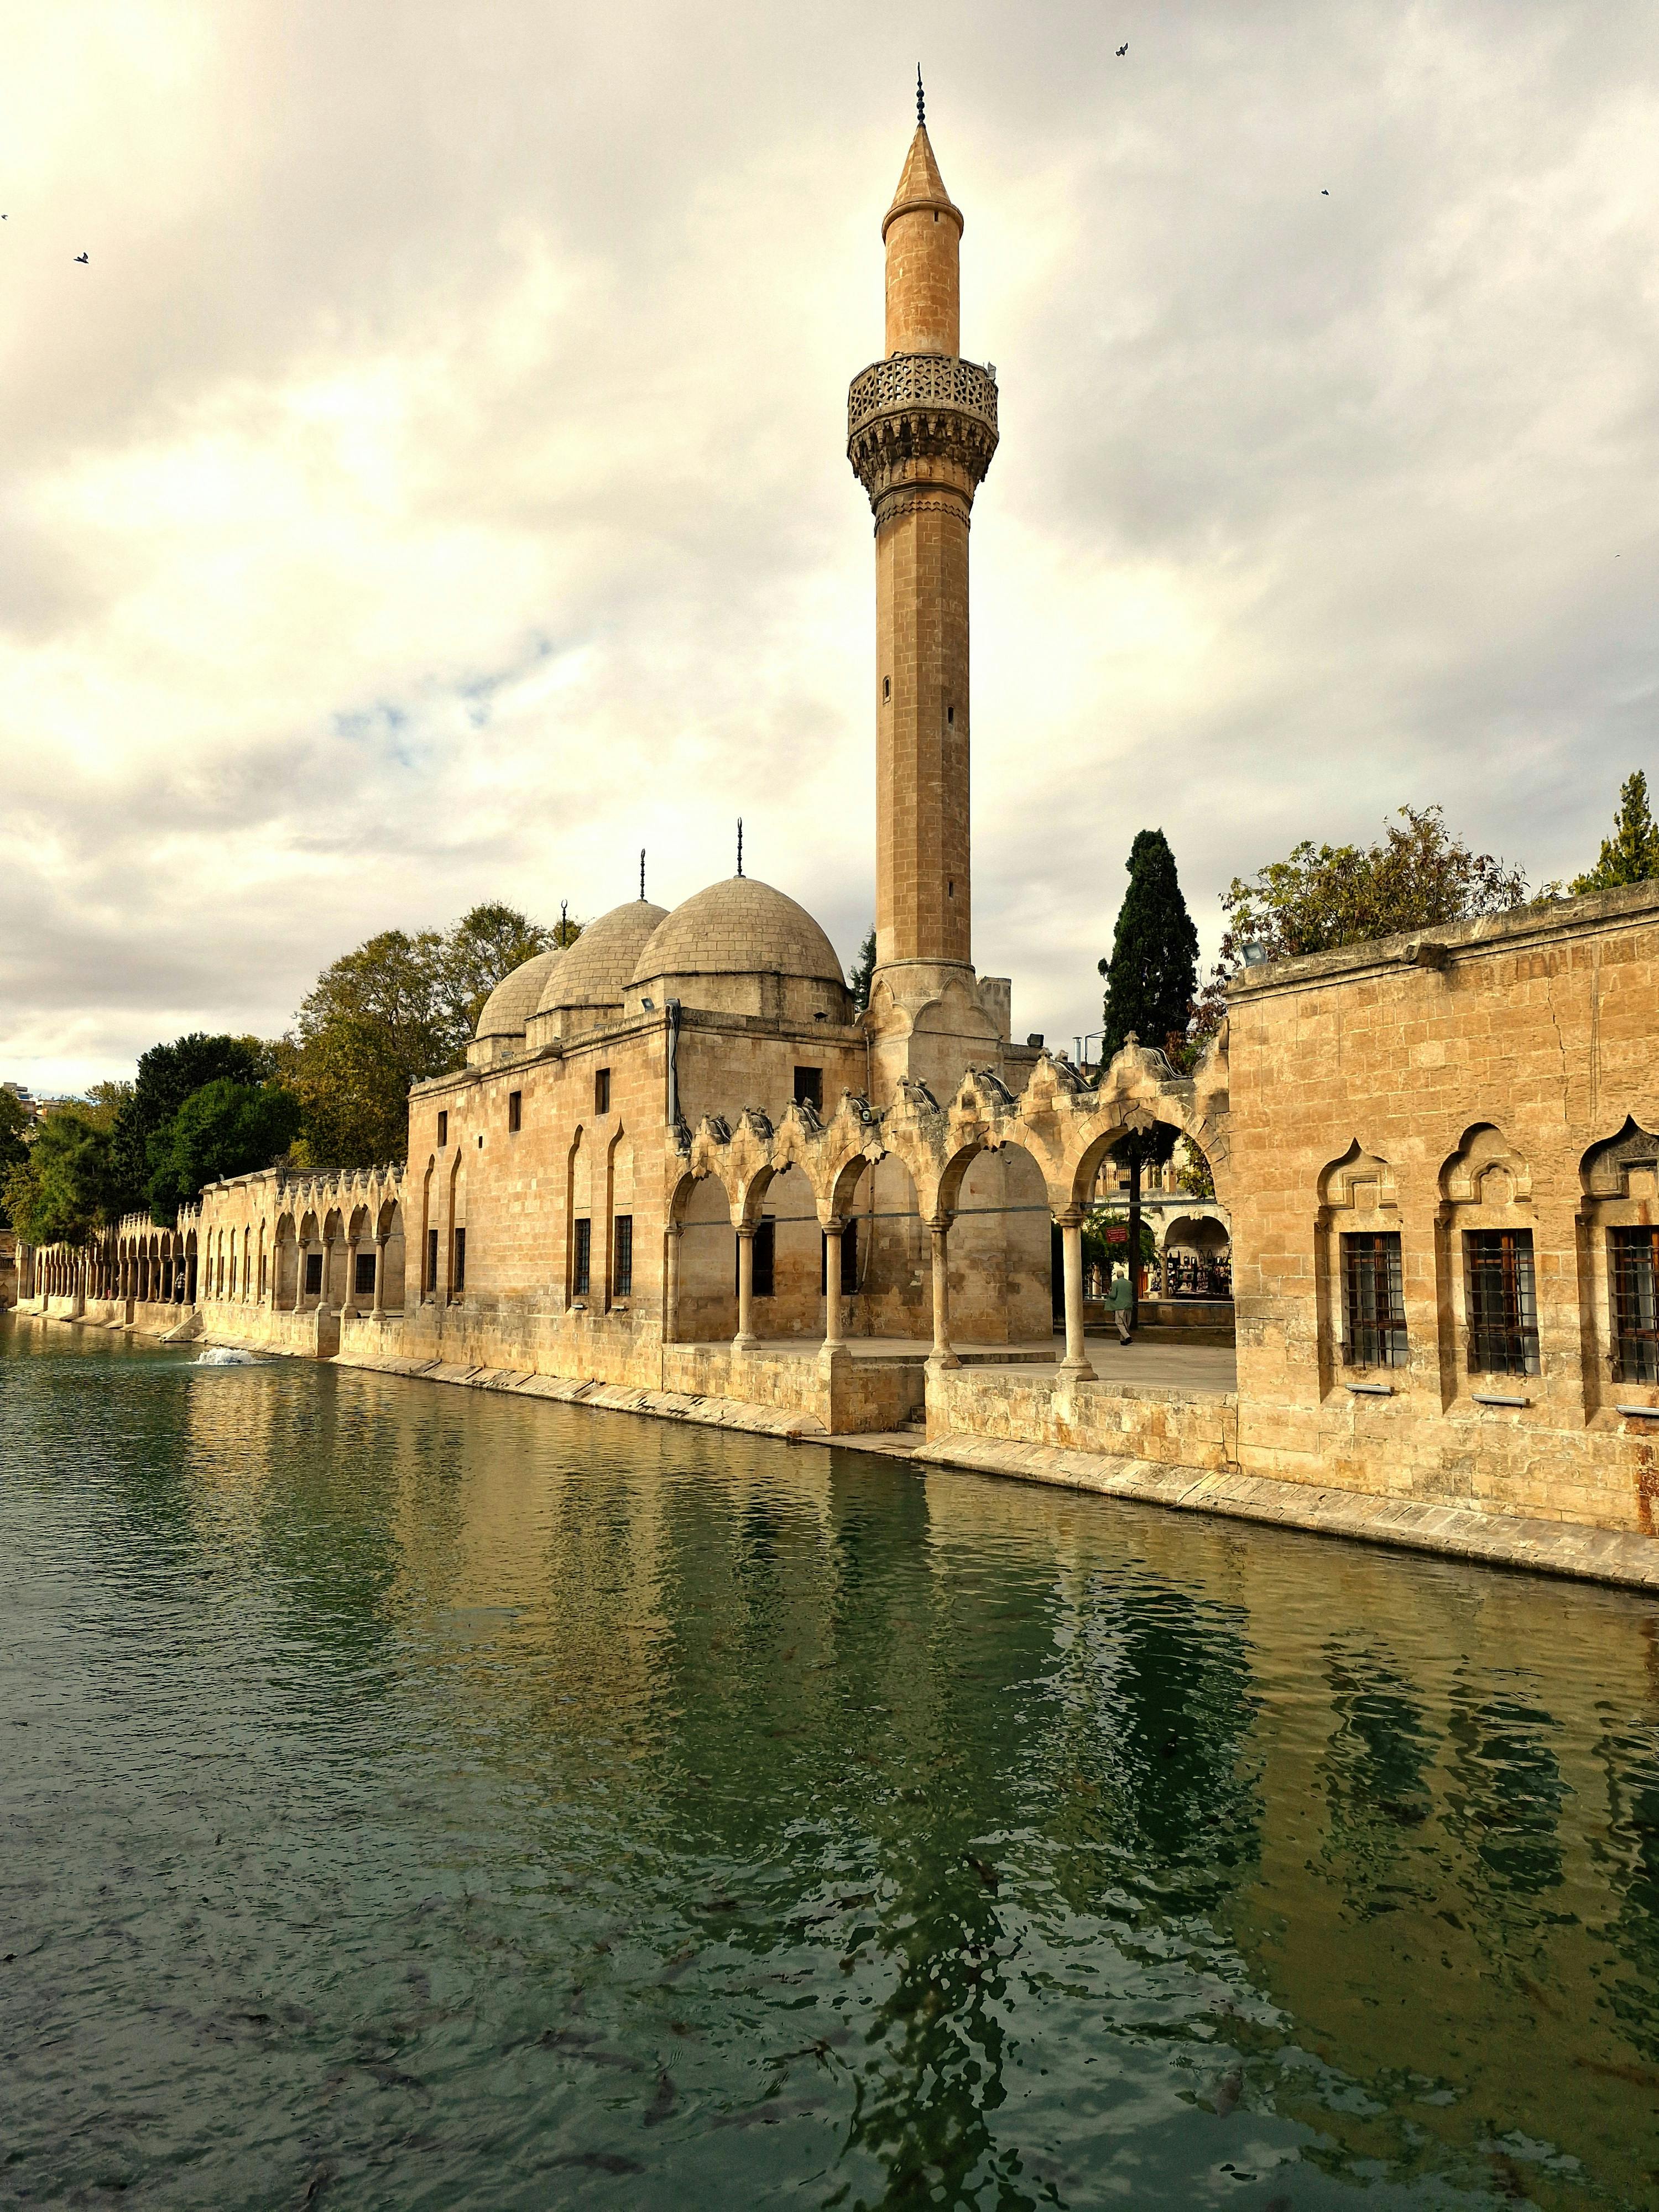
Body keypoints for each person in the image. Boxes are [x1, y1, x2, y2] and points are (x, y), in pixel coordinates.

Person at [1107, 1266, 1134, 1345]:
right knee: (1127, 1323)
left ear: (1117, 1276)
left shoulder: (1115, 1283)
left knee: (1119, 1323)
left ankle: (1127, 1337)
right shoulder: (1130, 1283)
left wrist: (1109, 1293)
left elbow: (1114, 1295)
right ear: (1123, 1275)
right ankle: (1123, 1340)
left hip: (1119, 1305)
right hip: (1129, 1305)